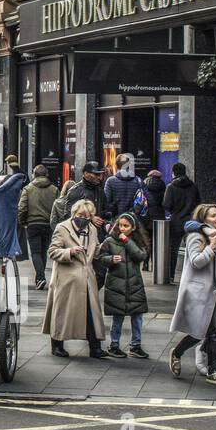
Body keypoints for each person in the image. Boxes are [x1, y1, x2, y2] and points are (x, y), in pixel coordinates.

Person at [168, 204, 216, 384]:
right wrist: (211, 246)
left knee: (215, 332)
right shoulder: (196, 237)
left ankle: (213, 371)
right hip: (200, 292)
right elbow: (197, 262)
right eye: (212, 216)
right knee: (198, 332)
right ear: (203, 220)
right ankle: (177, 352)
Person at [42, 199, 108, 358]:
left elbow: (97, 249)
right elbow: (52, 251)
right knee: (62, 314)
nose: (83, 218)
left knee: (92, 314)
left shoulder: (92, 229)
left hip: (86, 278)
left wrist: (110, 252)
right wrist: (70, 252)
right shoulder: (62, 228)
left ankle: (95, 347)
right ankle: (57, 345)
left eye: (87, 216)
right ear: (73, 214)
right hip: (66, 279)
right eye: (80, 215)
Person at [99, 213, 150, 359]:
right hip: (116, 285)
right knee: (118, 317)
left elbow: (140, 256)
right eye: (120, 225)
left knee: (137, 316)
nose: (122, 228)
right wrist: (110, 259)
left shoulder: (136, 241)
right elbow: (100, 257)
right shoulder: (109, 241)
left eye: (126, 226)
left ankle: (136, 345)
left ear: (133, 228)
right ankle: (114, 345)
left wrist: (127, 241)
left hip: (134, 285)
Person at [18, 165, 59, 289]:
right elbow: (58, 207)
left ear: (34, 174)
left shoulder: (28, 189)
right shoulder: (54, 189)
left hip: (33, 224)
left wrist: (22, 221)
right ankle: (39, 279)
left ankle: (40, 277)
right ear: (46, 175)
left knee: (35, 252)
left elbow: (22, 207)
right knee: (43, 251)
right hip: (48, 224)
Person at [102, 154, 142, 223]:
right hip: (133, 219)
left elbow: (106, 201)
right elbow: (141, 201)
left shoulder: (110, 181)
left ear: (116, 165)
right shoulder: (137, 180)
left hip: (115, 218)